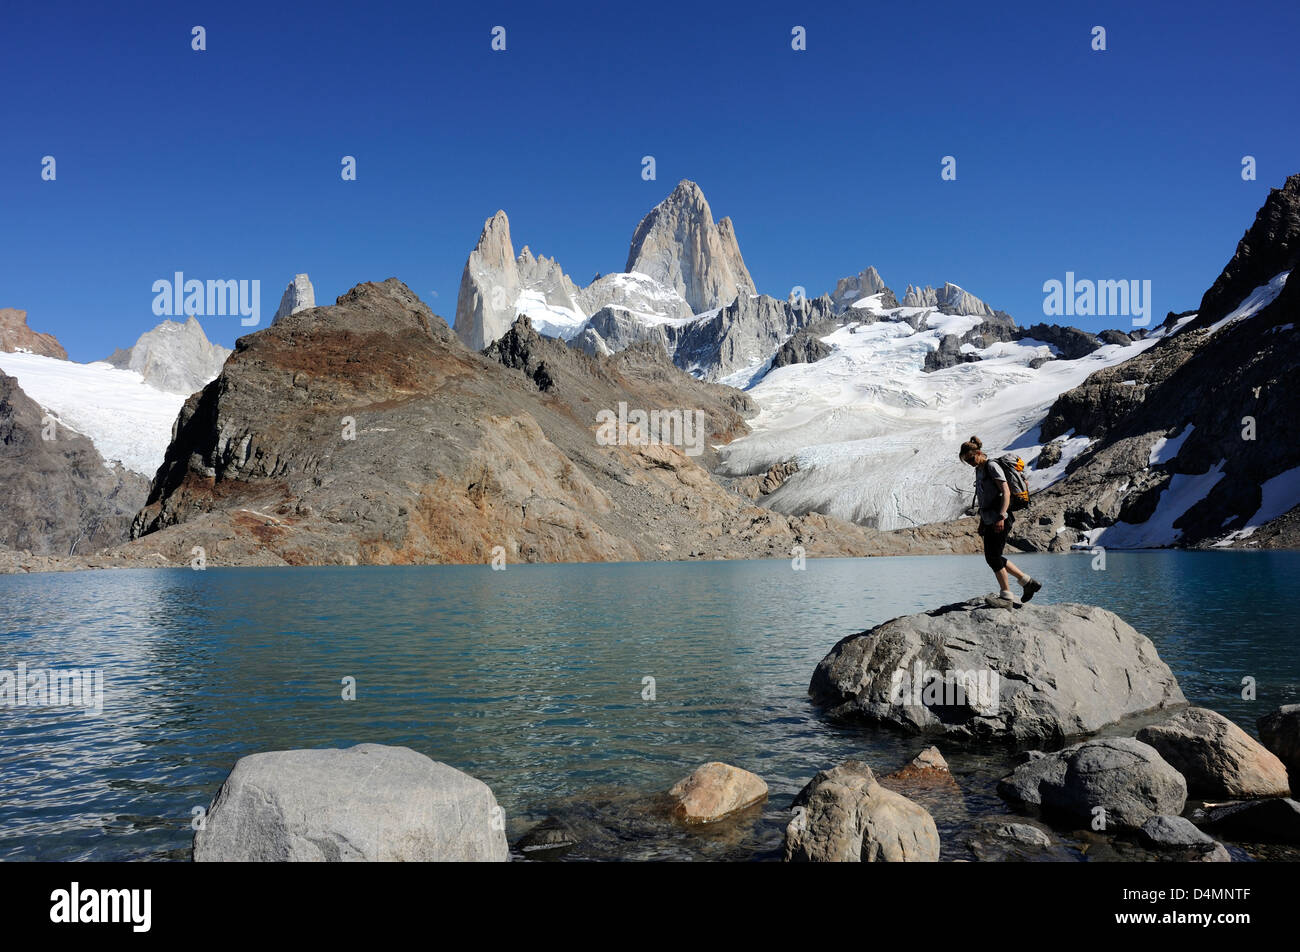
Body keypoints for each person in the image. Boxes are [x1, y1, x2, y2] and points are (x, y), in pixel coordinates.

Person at [959, 436, 1042, 605]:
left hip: (1001, 518)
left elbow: (1006, 492)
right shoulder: (980, 470)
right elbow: (984, 498)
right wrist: (983, 520)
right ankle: (1028, 583)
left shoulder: (992, 466)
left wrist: (1001, 516)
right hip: (990, 518)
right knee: (993, 556)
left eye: (971, 458)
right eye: (967, 461)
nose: (970, 463)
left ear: (979, 453)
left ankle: (1007, 597)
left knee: (993, 557)